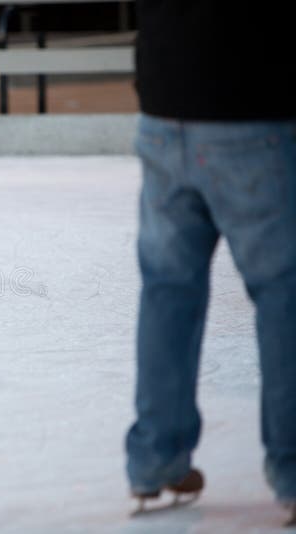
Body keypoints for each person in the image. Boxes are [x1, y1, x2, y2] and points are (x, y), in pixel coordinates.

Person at [125, 0, 296, 523]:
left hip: (163, 106)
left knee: (168, 291)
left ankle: (155, 462)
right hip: (251, 107)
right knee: (283, 293)